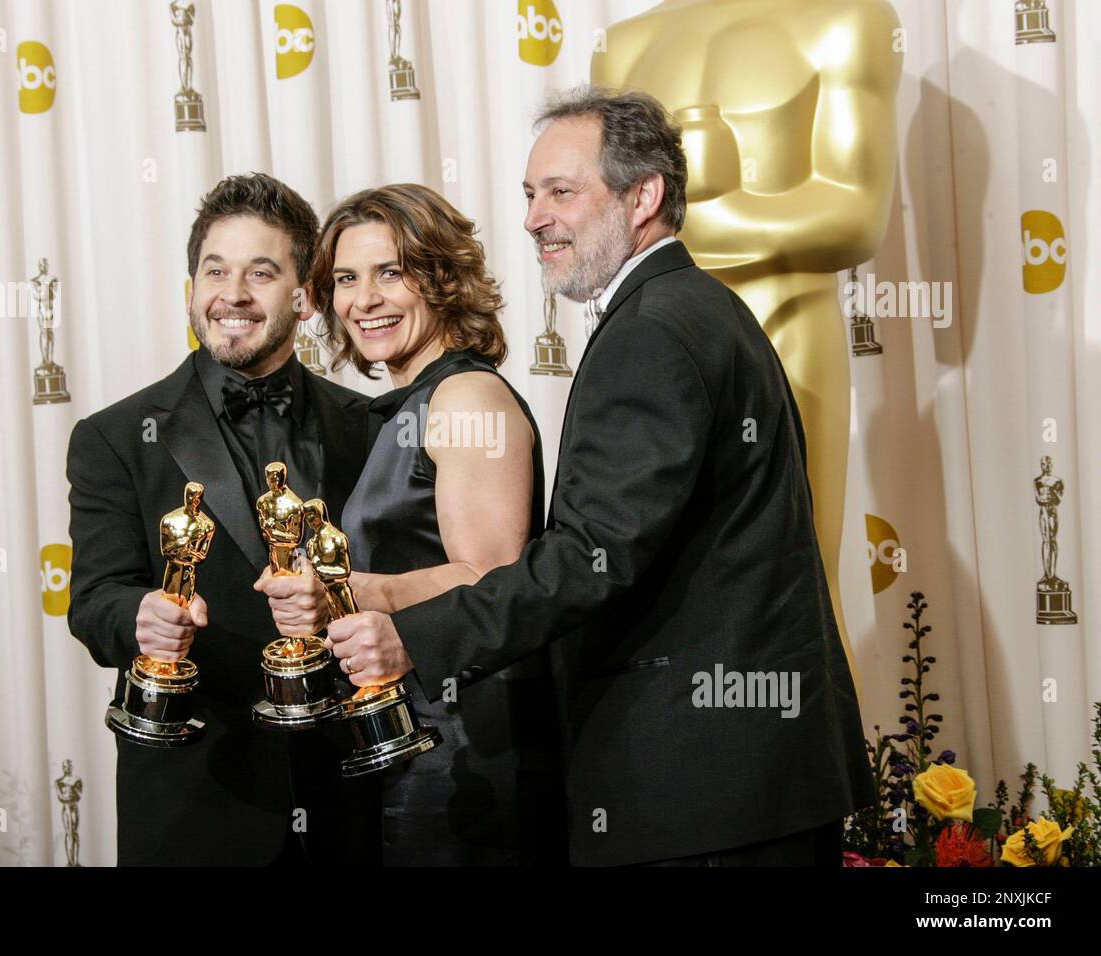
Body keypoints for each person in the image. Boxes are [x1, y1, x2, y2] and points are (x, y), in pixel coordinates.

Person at [325, 87, 875, 866]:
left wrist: (412, 635)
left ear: (643, 195)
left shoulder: (651, 332)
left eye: (561, 192)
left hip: (702, 790)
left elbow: (593, 556)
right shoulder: (693, 307)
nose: (533, 218)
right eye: (528, 195)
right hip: (737, 782)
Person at [66, 172, 372, 865]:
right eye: (215, 271)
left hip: (350, 796)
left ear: (304, 295)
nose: (232, 294)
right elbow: (94, 600)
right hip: (195, 800)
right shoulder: (114, 436)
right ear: (190, 290)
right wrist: (137, 616)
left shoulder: (370, 426)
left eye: (260, 273)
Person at [256, 183, 565, 865]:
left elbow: (494, 580)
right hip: (416, 738)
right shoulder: (414, 401)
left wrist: (352, 592)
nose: (363, 300)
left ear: (442, 276)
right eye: (344, 279)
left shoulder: (466, 396)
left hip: (466, 754)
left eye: (390, 272)